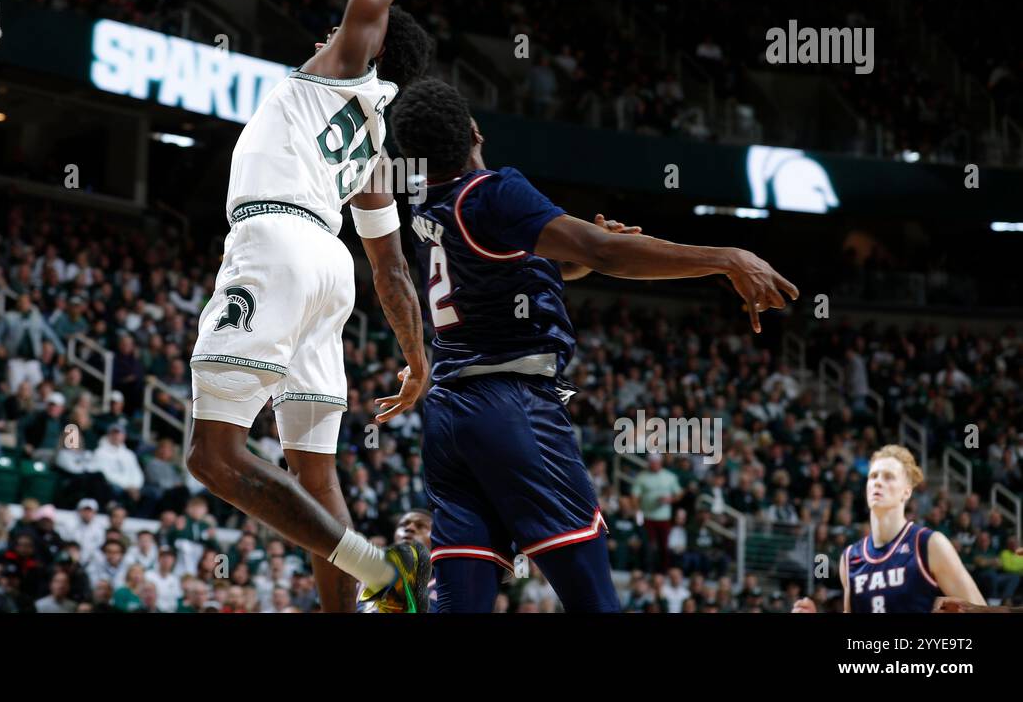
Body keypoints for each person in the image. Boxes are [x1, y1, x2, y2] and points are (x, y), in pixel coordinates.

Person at [184, 0, 505, 614]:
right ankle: (359, 599)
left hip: (277, 246)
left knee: (212, 459)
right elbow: (391, 266)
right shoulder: (373, 142)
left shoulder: (343, 64)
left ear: (367, 37)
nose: (330, 28)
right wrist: (418, 359)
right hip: (333, 270)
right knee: (314, 472)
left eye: (344, 23)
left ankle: (381, 569)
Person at [389, 78, 797, 612]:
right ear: (474, 131)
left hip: (448, 417)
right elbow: (604, 252)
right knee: (593, 599)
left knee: (459, 600)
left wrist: (577, 260)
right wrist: (727, 257)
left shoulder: (427, 207)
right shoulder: (492, 191)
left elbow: (507, 272)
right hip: (511, 406)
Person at [794, 445, 987, 613]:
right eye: (873, 476)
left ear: (907, 491)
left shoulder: (929, 545)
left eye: (888, 477)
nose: (878, 481)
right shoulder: (850, 558)